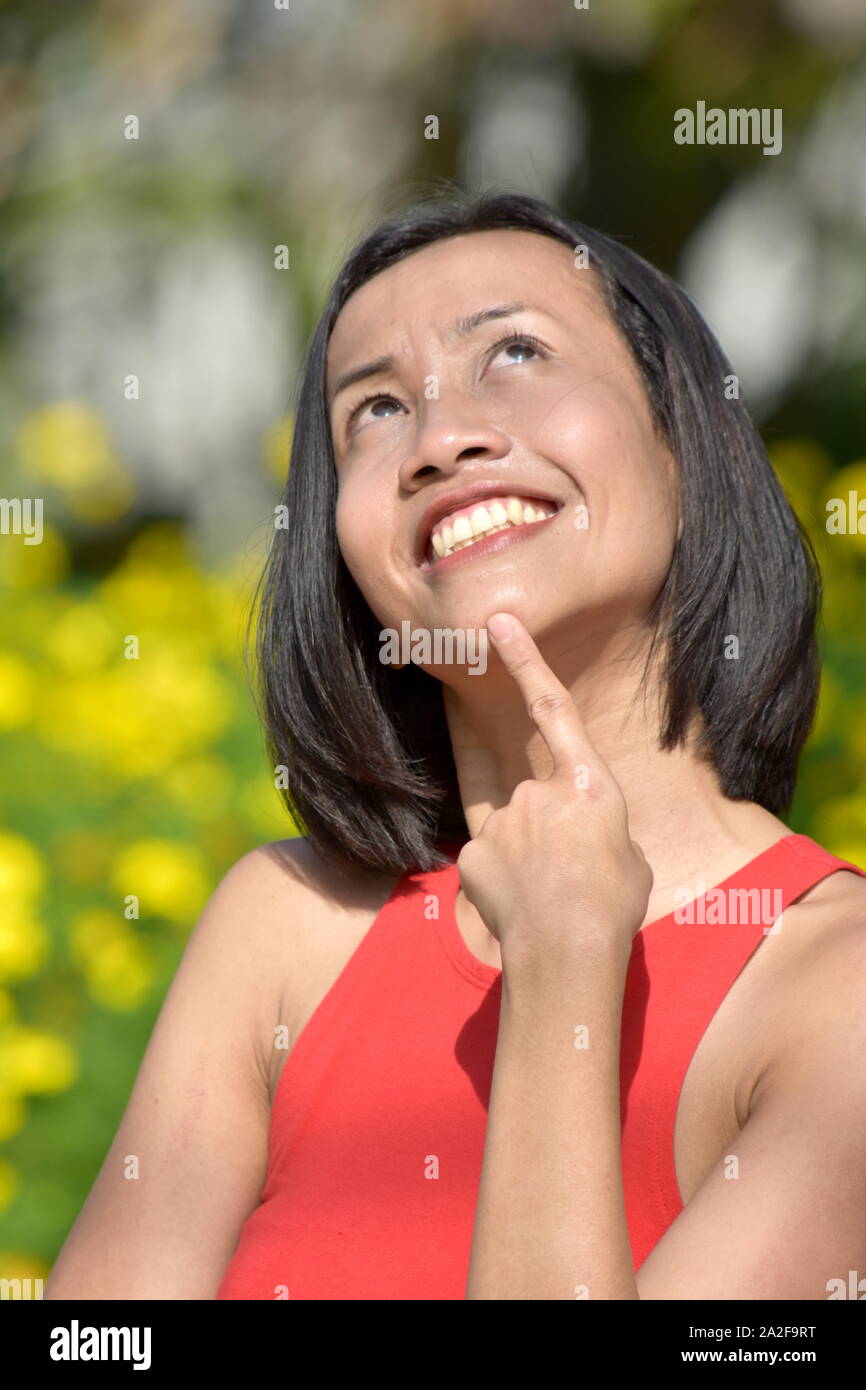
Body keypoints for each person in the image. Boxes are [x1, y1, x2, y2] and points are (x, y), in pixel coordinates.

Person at [45, 189, 866, 1301]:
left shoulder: (837, 990)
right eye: (372, 412)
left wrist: (564, 971)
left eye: (514, 351)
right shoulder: (284, 931)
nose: (439, 438)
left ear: (681, 444)